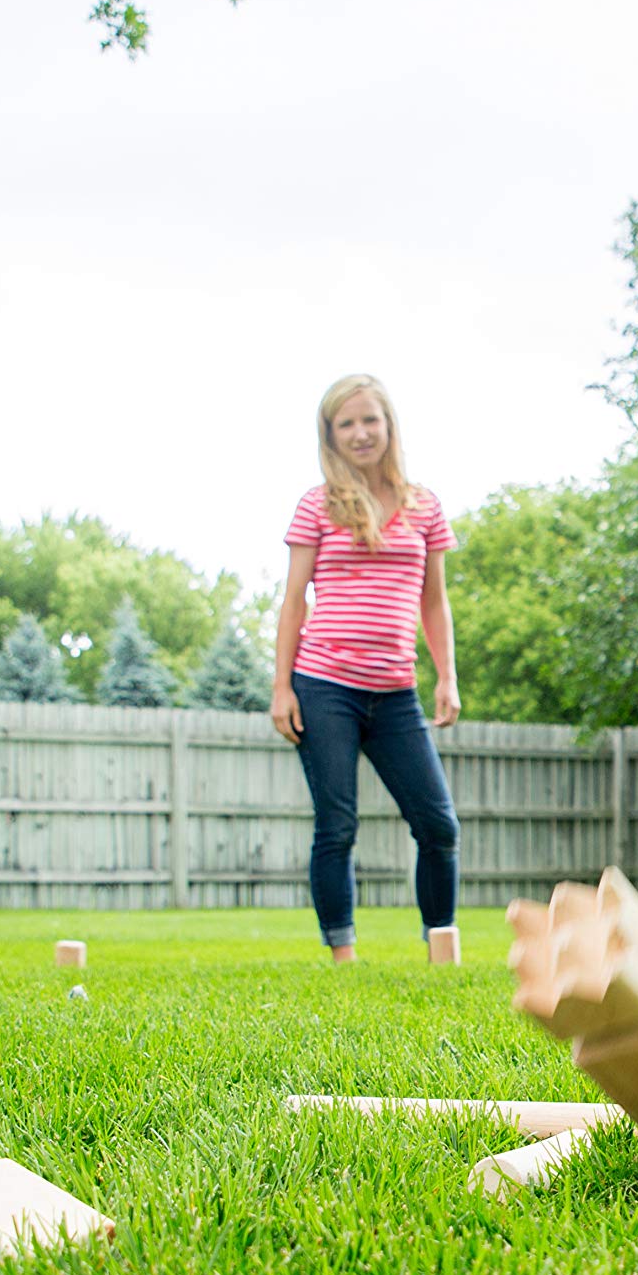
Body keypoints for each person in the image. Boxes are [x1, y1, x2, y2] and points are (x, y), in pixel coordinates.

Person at [269, 373, 461, 964]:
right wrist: (281, 687)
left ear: (389, 425)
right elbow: (295, 597)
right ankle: (343, 956)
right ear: (330, 435)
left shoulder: (423, 506)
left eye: (369, 420)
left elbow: (434, 599)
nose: (360, 434)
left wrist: (447, 675)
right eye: (345, 424)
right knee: (338, 825)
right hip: (324, 685)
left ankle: (440, 946)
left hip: (396, 691)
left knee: (438, 825)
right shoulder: (318, 505)